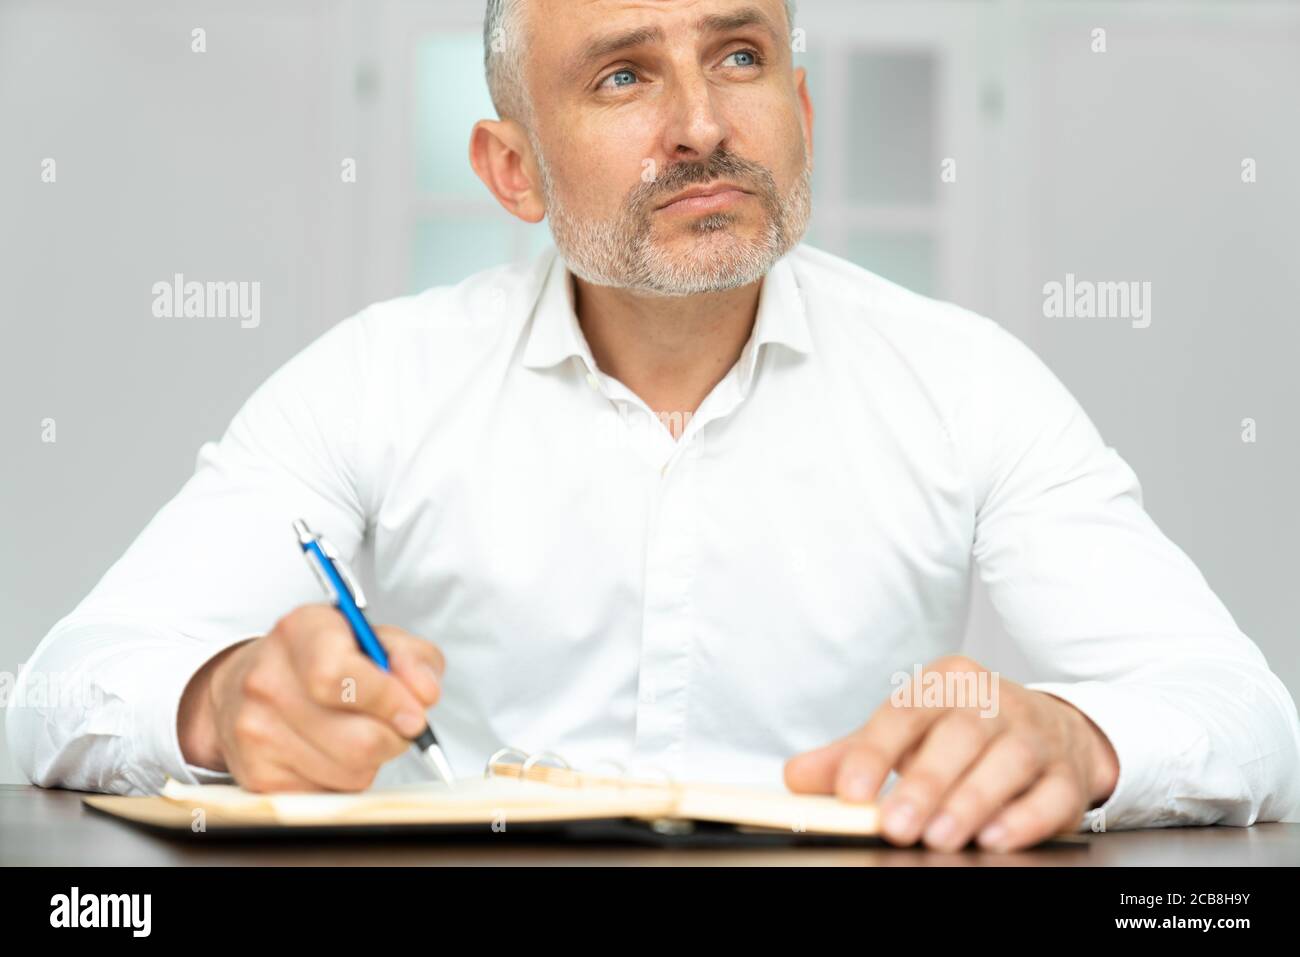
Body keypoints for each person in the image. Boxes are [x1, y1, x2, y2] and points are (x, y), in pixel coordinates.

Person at [7, 0, 1298, 853]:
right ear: (511, 169)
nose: (700, 124)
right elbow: (50, 693)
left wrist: (1084, 739)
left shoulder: (969, 385)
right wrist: (215, 702)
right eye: (625, 74)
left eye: (739, 56)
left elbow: (1246, 712)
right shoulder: (372, 384)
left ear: (803, 112)